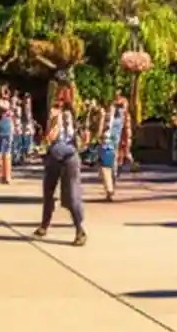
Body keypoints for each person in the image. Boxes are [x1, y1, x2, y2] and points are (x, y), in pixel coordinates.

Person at [34, 87, 87, 246]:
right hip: (53, 156)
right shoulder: (52, 115)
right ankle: (44, 224)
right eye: (58, 101)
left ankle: (80, 230)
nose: (59, 104)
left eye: (63, 101)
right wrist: (52, 122)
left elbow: (84, 137)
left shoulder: (76, 116)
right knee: (48, 192)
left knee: (71, 196)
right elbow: (50, 137)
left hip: (70, 157)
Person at [97, 94, 132, 201]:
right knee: (110, 168)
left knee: (109, 168)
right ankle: (110, 190)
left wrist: (127, 149)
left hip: (113, 146)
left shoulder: (119, 116)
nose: (120, 108)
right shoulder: (117, 116)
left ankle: (110, 190)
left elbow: (127, 133)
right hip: (112, 145)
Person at [0, 95, 14, 185]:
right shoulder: (0, 104)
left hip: (6, 129)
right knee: (2, 155)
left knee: (7, 154)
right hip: (1, 129)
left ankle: (7, 176)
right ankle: (4, 175)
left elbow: (4, 106)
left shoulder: (8, 104)